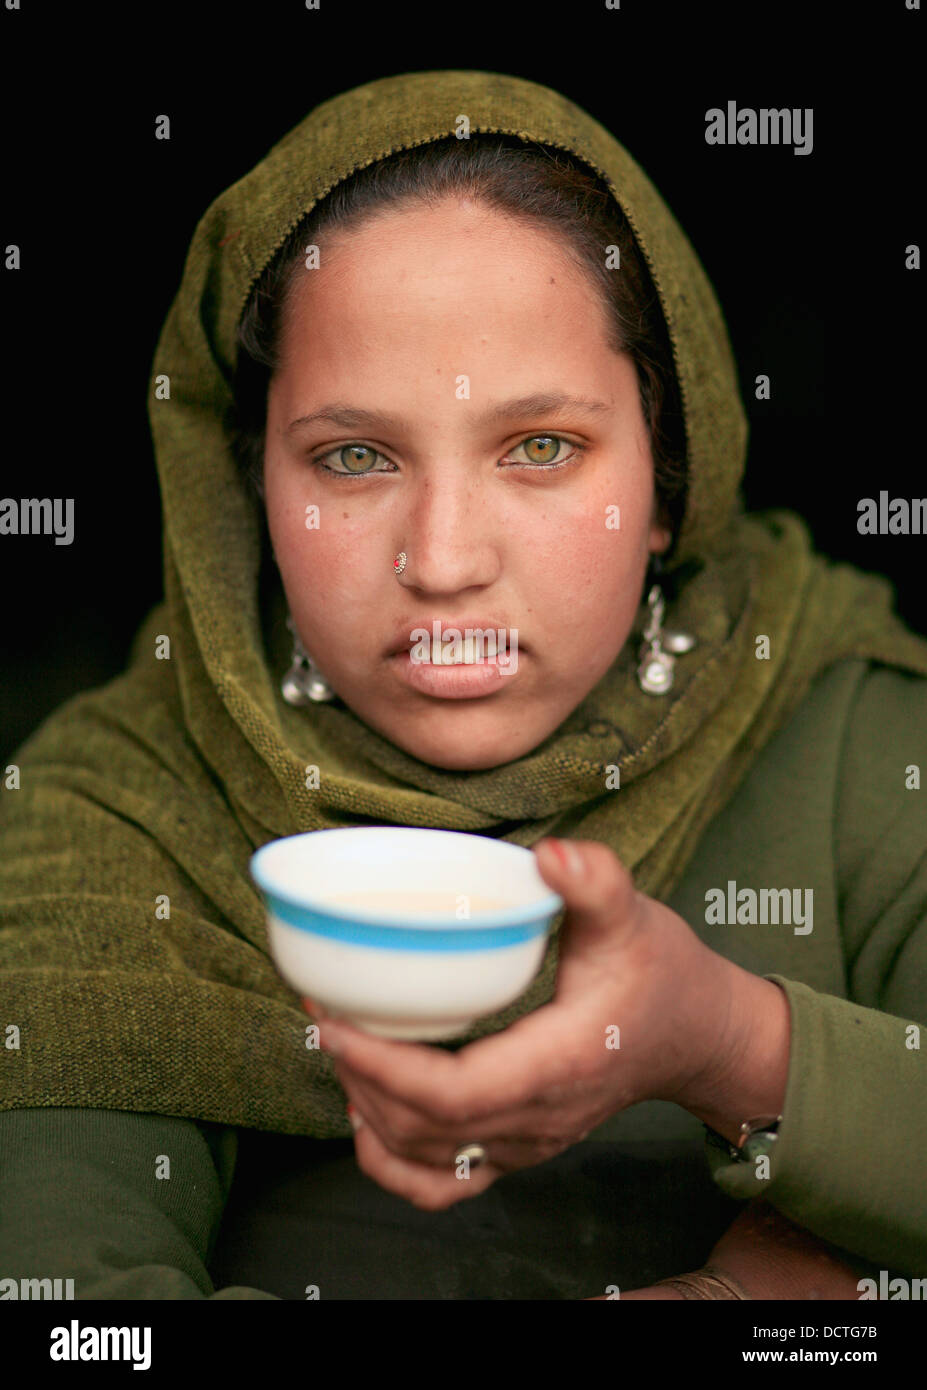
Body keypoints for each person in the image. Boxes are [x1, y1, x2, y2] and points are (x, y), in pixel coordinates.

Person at [1, 69, 925, 1302]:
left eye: (541, 447)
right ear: (247, 491)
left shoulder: (856, 735)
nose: (442, 562)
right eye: (355, 456)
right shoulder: (106, 813)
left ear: (670, 465)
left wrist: (733, 1042)